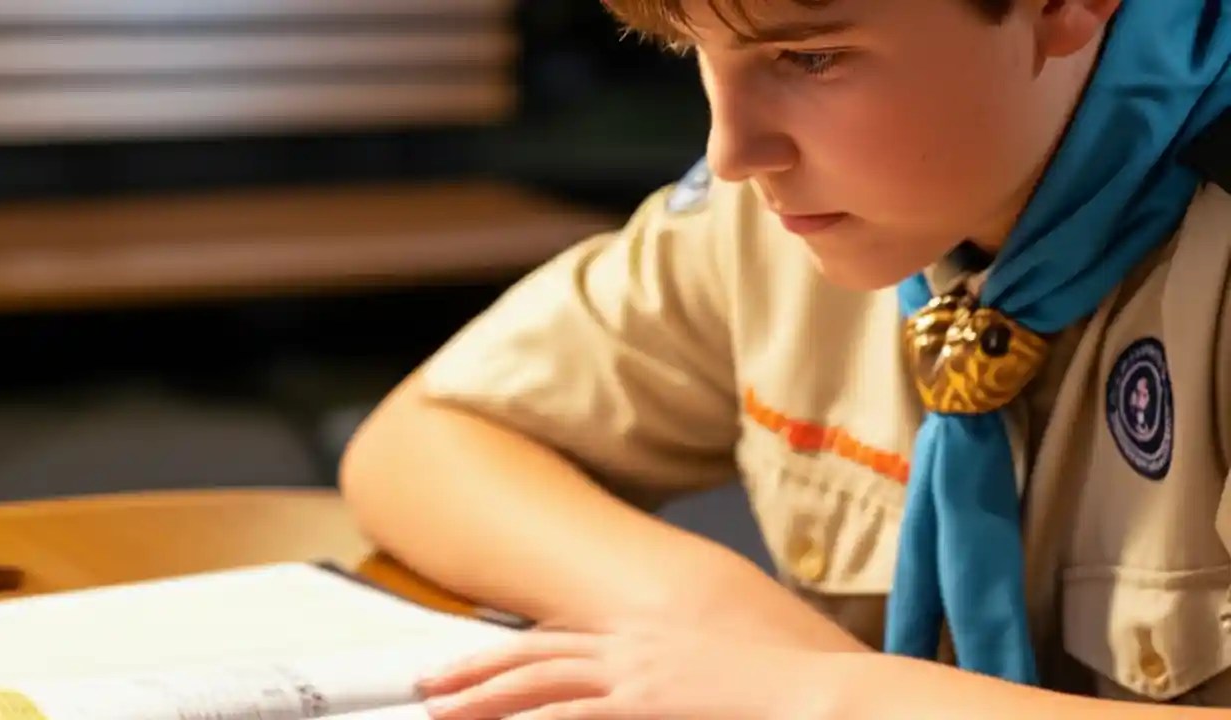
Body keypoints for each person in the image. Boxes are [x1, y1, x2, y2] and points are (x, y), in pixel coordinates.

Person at [340, 0, 1231, 716]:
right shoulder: (795, 213)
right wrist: (725, 621)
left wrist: (835, 699)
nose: (730, 153)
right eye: (697, 48)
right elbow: (423, 440)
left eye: (812, 58)